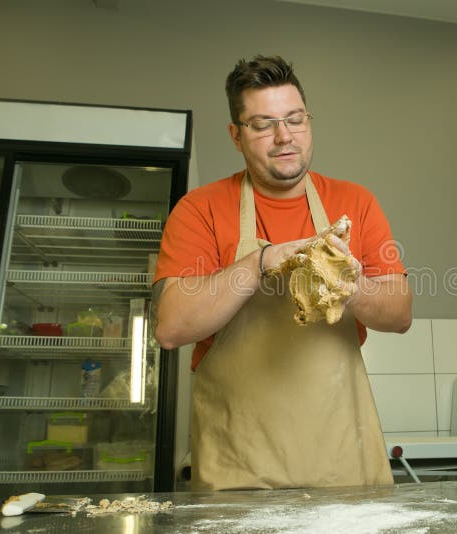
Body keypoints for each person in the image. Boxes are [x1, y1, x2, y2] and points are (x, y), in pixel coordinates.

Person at [153, 54, 412, 491]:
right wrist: (259, 263)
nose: (283, 137)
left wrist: (345, 281)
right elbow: (171, 328)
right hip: (239, 468)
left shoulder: (356, 202)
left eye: (294, 119)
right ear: (236, 135)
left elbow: (399, 314)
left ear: (308, 121)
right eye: (262, 124)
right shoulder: (200, 209)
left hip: (344, 466)